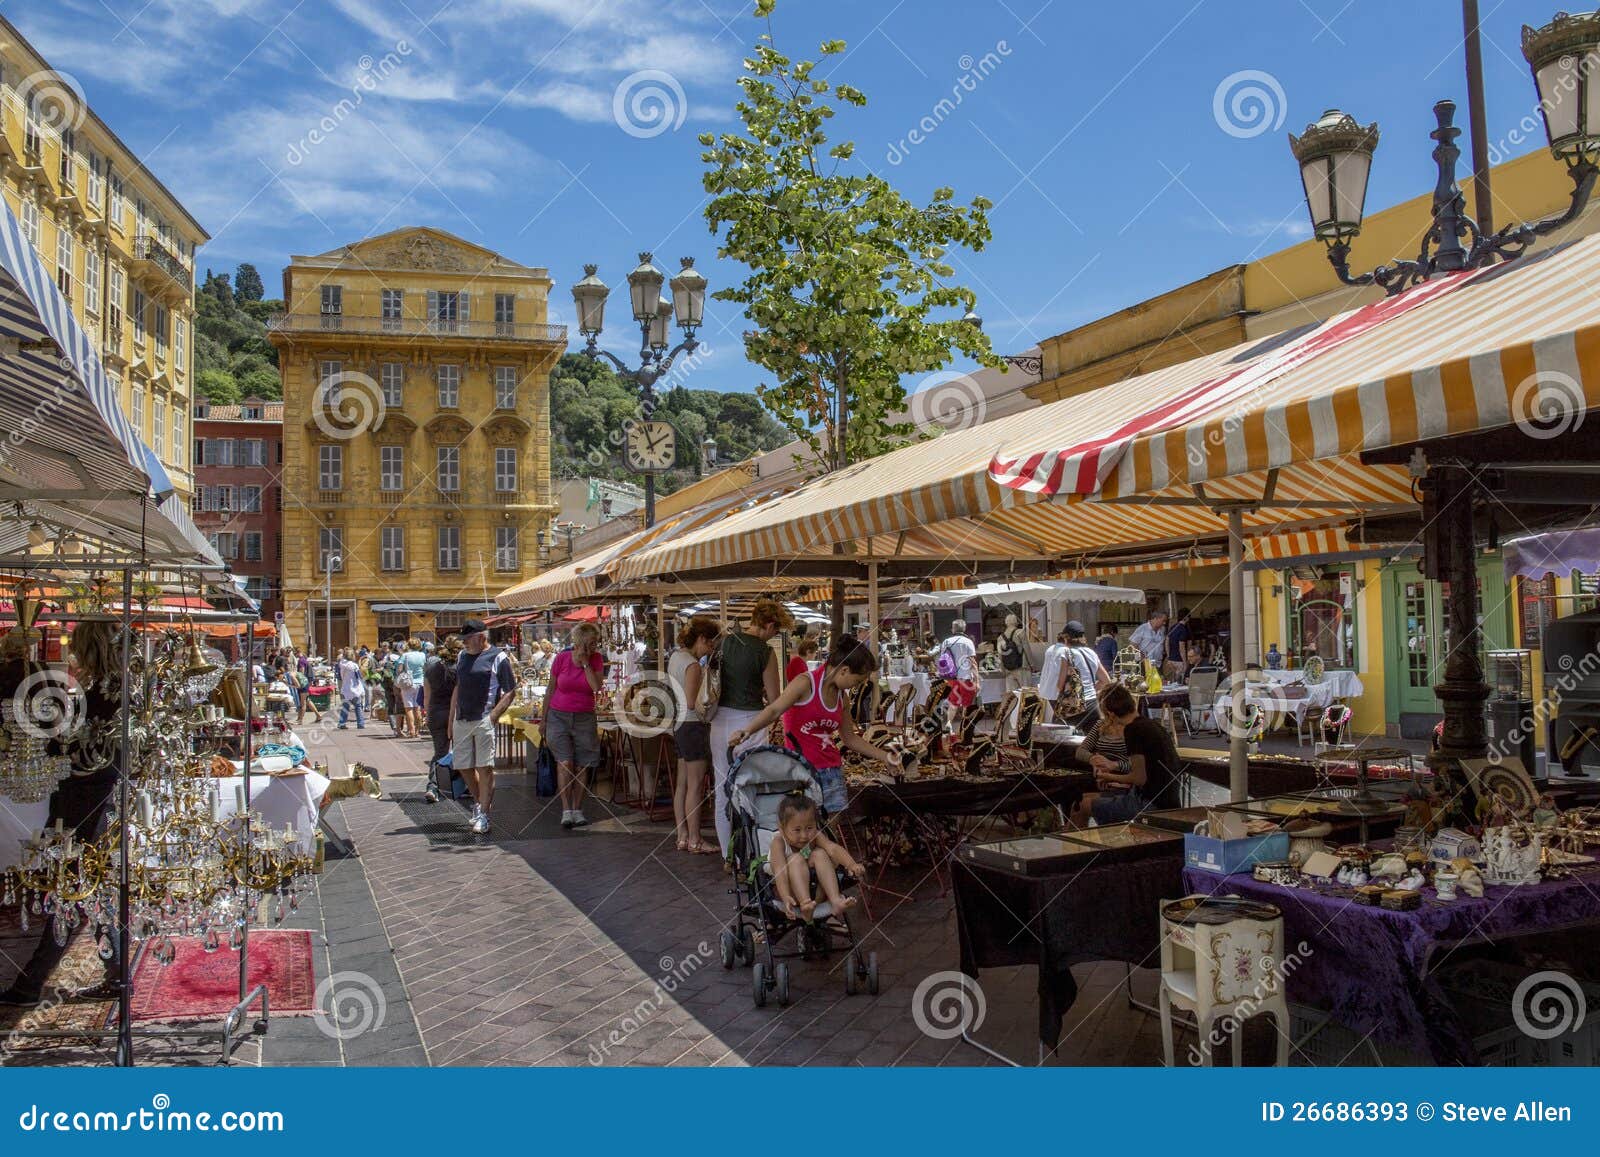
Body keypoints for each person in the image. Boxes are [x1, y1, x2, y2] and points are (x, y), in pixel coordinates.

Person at [0, 622, 124, 1007]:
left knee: (70, 889)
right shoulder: (113, 691)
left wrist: (54, 741)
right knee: (92, 886)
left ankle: (30, 984)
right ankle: (117, 973)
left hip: (85, 801)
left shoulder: (103, 695)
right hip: (99, 798)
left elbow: (81, 754)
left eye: (77, 647)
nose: (71, 655)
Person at [729, 637, 900, 821]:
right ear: (844, 670)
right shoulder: (805, 683)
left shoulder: (843, 698)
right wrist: (747, 731)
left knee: (830, 832)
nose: (856, 686)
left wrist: (885, 756)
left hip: (832, 772)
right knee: (804, 834)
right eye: (857, 681)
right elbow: (774, 709)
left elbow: (850, 739)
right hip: (801, 772)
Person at [710, 599, 794, 857]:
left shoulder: (724, 641)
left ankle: (727, 855)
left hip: (719, 720)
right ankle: (753, 852)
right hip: (752, 722)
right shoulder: (764, 652)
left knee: (722, 787)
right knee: (752, 787)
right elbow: (775, 697)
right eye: (776, 631)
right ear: (769, 625)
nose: (774, 636)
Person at [1071, 684, 1182, 826]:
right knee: (1084, 799)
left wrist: (1105, 776)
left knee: (1081, 806)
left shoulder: (1133, 730)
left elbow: (1139, 778)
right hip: (1166, 799)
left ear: (1110, 714)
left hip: (1149, 803)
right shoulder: (1152, 725)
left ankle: (1081, 847)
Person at [450, 619, 518, 835]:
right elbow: (458, 687)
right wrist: (451, 719)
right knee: (463, 765)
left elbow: (510, 691)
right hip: (462, 719)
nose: (464, 644)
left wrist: (493, 716)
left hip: (483, 718)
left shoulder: (498, 657)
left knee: (484, 767)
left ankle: (484, 814)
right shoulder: (462, 656)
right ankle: (480, 802)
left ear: (481, 637)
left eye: (467, 639)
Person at [545, 621, 605, 829]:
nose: (594, 646)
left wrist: (587, 663)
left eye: (595, 643)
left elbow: (596, 687)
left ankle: (578, 809)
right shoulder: (561, 658)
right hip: (558, 716)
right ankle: (566, 810)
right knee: (565, 763)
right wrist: (543, 720)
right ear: (579, 642)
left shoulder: (596, 660)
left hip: (584, 717)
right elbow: (550, 689)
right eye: (590, 643)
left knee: (582, 764)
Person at [769, 794, 865, 922]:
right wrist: (786, 896)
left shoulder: (815, 837)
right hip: (789, 893)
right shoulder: (778, 842)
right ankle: (805, 906)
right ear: (782, 829)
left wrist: (851, 864)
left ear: (816, 824)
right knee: (795, 859)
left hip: (817, 892)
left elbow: (832, 848)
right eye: (797, 830)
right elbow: (780, 871)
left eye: (809, 828)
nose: (804, 835)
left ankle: (835, 900)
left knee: (820, 853)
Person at [669, 616, 719, 854]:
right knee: (696, 786)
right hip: (692, 726)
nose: (710, 650)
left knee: (682, 785)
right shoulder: (693, 665)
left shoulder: (676, 657)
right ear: (700, 639)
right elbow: (692, 703)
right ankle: (696, 840)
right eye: (710, 644)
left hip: (678, 725)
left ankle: (682, 835)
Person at [1061, 620, 1111, 728]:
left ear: (1066, 638)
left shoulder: (1066, 654)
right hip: (1093, 705)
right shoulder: (1091, 653)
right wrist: (1091, 688)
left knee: (1064, 741)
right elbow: (1106, 680)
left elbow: (1060, 684)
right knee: (1092, 742)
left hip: (1074, 705)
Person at [935, 620, 979, 734]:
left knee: (953, 704)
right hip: (966, 678)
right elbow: (973, 662)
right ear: (964, 629)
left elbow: (942, 660)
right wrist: (977, 680)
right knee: (966, 704)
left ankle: (949, 725)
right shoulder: (968, 642)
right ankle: (964, 728)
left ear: (953, 629)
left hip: (952, 678)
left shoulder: (946, 642)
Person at [422, 638, 460, 769]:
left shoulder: (431, 669)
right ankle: (458, 785)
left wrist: (427, 714)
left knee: (440, 753)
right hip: (457, 714)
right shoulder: (460, 669)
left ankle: (433, 785)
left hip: (436, 713)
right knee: (460, 753)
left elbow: (426, 696)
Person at [996, 612, 1031, 694]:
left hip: (1009, 670)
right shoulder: (1020, 632)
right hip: (1022, 667)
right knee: (1025, 693)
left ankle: (1014, 707)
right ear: (1016, 622)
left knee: (1012, 696)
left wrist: (1003, 670)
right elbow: (1027, 650)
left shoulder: (1000, 637)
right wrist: (1032, 665)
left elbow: (1000, 656)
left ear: (1006, 623)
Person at [399, 637, 427, 739]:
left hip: (408, 683)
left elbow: (400, 668)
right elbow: (425, 668)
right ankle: (418, 731)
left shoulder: (405, 655)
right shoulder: (422, 655)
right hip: (420, 683)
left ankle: (411, 731)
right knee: (418, 709)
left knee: (409, 709)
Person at [336, 648, 366, 729]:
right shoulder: (354, 665)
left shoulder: (342, 664)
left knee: (345, 707)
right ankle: (360, 723)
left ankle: (342, 723)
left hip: (346, 687)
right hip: (355, 688)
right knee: (358, 706)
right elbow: (359, 676)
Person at [1165, 609, 1191, 681]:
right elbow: (1181, 647)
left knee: (1173, 681)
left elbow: (1166, 641)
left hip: (1171, 660)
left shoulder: (1172, 627)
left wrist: (1168, 655)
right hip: (1180, 660)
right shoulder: (1183, 629)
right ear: (1187, 618)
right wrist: (1185, 662)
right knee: (1180, 680)